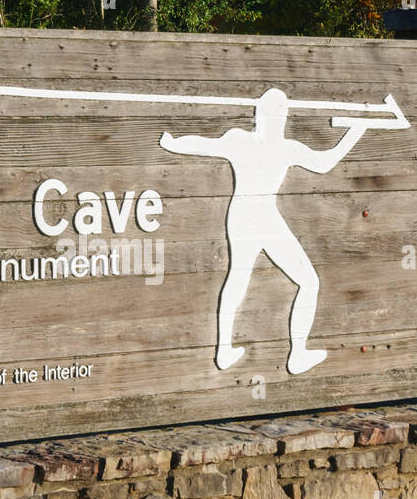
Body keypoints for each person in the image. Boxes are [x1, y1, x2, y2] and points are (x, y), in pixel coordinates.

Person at [159, 87, 402, 374]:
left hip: (263, 216)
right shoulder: (241, 140)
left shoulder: (286, 147)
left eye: (279, 115)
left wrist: (356, 131)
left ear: (282, 118)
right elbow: (204, 144)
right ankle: (226, 349)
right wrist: (173, 143)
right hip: (246, 215)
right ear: (259, 116)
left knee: (306, 281)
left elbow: (325, 162)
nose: (275, 120)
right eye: (271, 114)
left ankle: (296, 353)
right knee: (241, 278)